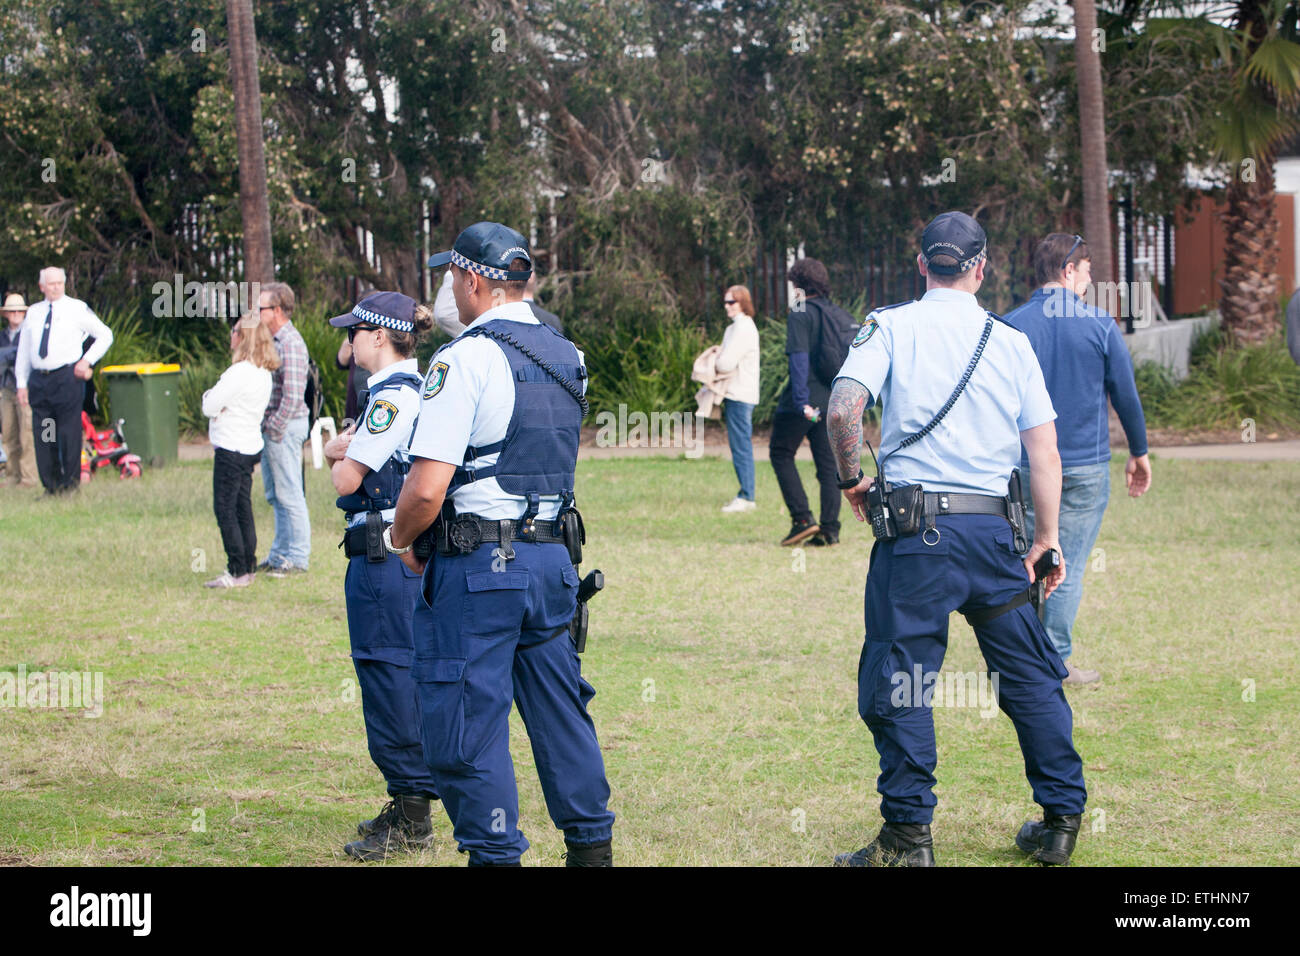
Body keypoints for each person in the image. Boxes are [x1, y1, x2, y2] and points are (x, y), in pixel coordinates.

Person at [826, 211, 1086, 867]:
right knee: (1029, 677)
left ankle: (908, 838)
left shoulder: (890, 326)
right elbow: (1044, 453)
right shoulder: (1010, 341)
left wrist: (852, 480)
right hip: (996, 533)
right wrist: (1047, 541)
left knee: (901, 682)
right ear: (981, 267)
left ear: (920, 265)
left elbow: (841, 409)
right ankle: (1060, 819)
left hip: (915, 537)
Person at [388, 221, 615, 867]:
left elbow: (427, 489)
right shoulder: (567, 353)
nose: (449, 289)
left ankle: (494, 854)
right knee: (561, 713)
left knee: (465, 724)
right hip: (550, 563)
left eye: (451, 276)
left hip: (479, 568)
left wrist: (401, 536)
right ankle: (590, 850)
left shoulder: (463, 357)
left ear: (473, 280)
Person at [323, 291, 443, 862]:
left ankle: (412, 812)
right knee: (402, 673)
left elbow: (346, 478)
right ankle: (411, 800)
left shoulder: (391, 397)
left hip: (383, 555)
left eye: (354, 332)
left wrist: (334, 449)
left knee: (388, 674)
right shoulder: (416, 390)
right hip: (404, 553)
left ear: (377, 337)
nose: (348, 342)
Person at [1002, 233, 1152, 684]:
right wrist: (1139, 453)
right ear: (1069, 270)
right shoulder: (1100, 325)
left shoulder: (1009, 326)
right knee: (1067, 563)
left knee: (1025, 559)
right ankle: (1056, 660)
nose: (1089, 281)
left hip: (1023, 464)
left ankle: (1019, 660)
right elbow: (1125, 396)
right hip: (1084, 466)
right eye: (1087, 272)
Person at [14, 267, 113, 494]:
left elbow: (105, 335)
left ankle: (70, 484)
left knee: (68, 432)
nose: (56, 287)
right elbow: (24, 350)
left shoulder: (75, 308)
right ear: (42, 287)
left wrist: (86, 361)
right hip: (41, 381)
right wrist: (22, 381)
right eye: (51, 284)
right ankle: (52, 484)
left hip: (65, 379)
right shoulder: (34, 313)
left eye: (59, 282)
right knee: (45, 432)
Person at [770, 258, 847, 546]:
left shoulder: (801, 311)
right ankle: (830, 529)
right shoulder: (836, 312)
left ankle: (802, 519)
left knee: (780, 452)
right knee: (828, 466)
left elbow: (799, 359)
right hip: (832, 400)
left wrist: (801, 401)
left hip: (804, 402)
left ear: (798, 284)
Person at [201, 316, 278, 589]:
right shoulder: (262, 373)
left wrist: (212, 399)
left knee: (226, 509)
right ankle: (248, 566)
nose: (231, 335)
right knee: (242, 507)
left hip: (231, 447)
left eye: (234, 331)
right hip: (248, 446)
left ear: (242, 338)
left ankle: (236, 570)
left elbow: (210, 405)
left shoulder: (239, 372)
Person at [257, 281, 312, 576]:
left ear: (277, 311)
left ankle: (298, 557)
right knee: (277, 493)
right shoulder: (276, 341)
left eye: (261, 308)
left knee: (289, 493)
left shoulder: (290, 343)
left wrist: (273, 429)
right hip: (278, 427)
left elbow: (293, 396)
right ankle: (279, 555)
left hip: (285, 426)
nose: (257, 313)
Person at [715, 285, 760, 513]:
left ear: (743, 302)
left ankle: (747, 496)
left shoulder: (743, 327)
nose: (727, 306)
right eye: (725, 302)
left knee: (741, 445)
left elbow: (724, 363)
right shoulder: (733, 328)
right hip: (733, 393)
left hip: (741, 394)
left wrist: (716, 358)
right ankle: (745, 493)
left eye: (731, 302)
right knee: (739, 444)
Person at [0, 292, 39, 487]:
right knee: (8, 434)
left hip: (26, 389)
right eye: (11, 311)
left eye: (18, 311)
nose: (15, 314)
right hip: (6, 389)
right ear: (6, 315)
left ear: (24, 313)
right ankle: (12, 475)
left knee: (27, 433)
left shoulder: (31, 333)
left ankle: (29, 477)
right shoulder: (2, 337)